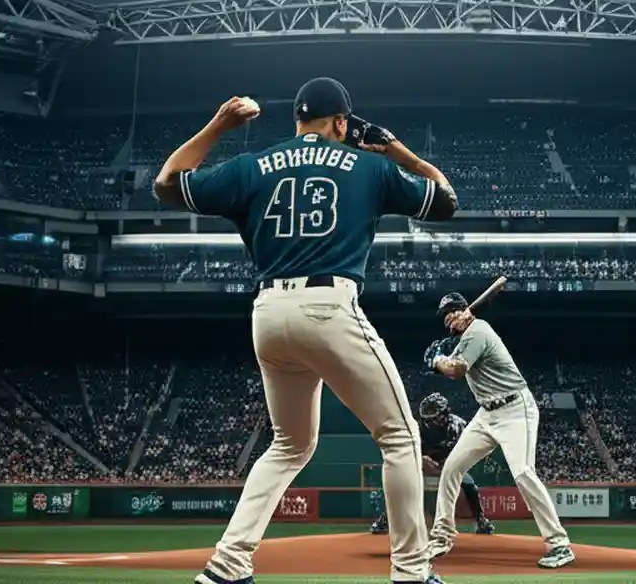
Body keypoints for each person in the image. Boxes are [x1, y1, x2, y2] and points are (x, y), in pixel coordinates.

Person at [152, 79, 456, 584]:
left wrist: (221, 124)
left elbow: (167, 183)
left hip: (269, 315)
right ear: (341, 122)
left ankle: (227, 566)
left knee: (289, 443)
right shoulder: (371, 165)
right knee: (400, 437)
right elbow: (445, 201)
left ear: (297, 121)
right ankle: (411, 572)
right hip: (329, 306)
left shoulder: (254, 166)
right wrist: (397, 149)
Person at [424, 292, 575, 569]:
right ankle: (442, 536)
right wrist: (443, 356)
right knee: (451, 468)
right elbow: (452, 362)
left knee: (523, 474)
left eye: (454, 311)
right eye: (447, 316)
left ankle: (559, 544)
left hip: (516, 410)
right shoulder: (465, 339)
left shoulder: (479, 331)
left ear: (465, 310)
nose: (451, 317)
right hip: (486, 414)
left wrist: (437, 360)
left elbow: (455, 370)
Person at [370, 393, 495, 536]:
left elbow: (463, 453)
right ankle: (386, 519)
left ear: (445, 414)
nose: (430, 422)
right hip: (423, 464)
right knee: (403, 483)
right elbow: (408, 450)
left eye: (434, 417)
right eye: (428, 417)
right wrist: (421, 459)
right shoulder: (418, 426)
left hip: (451, 463)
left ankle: (481, 520)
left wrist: (445, 465)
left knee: (470, 486)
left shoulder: (458, 426)